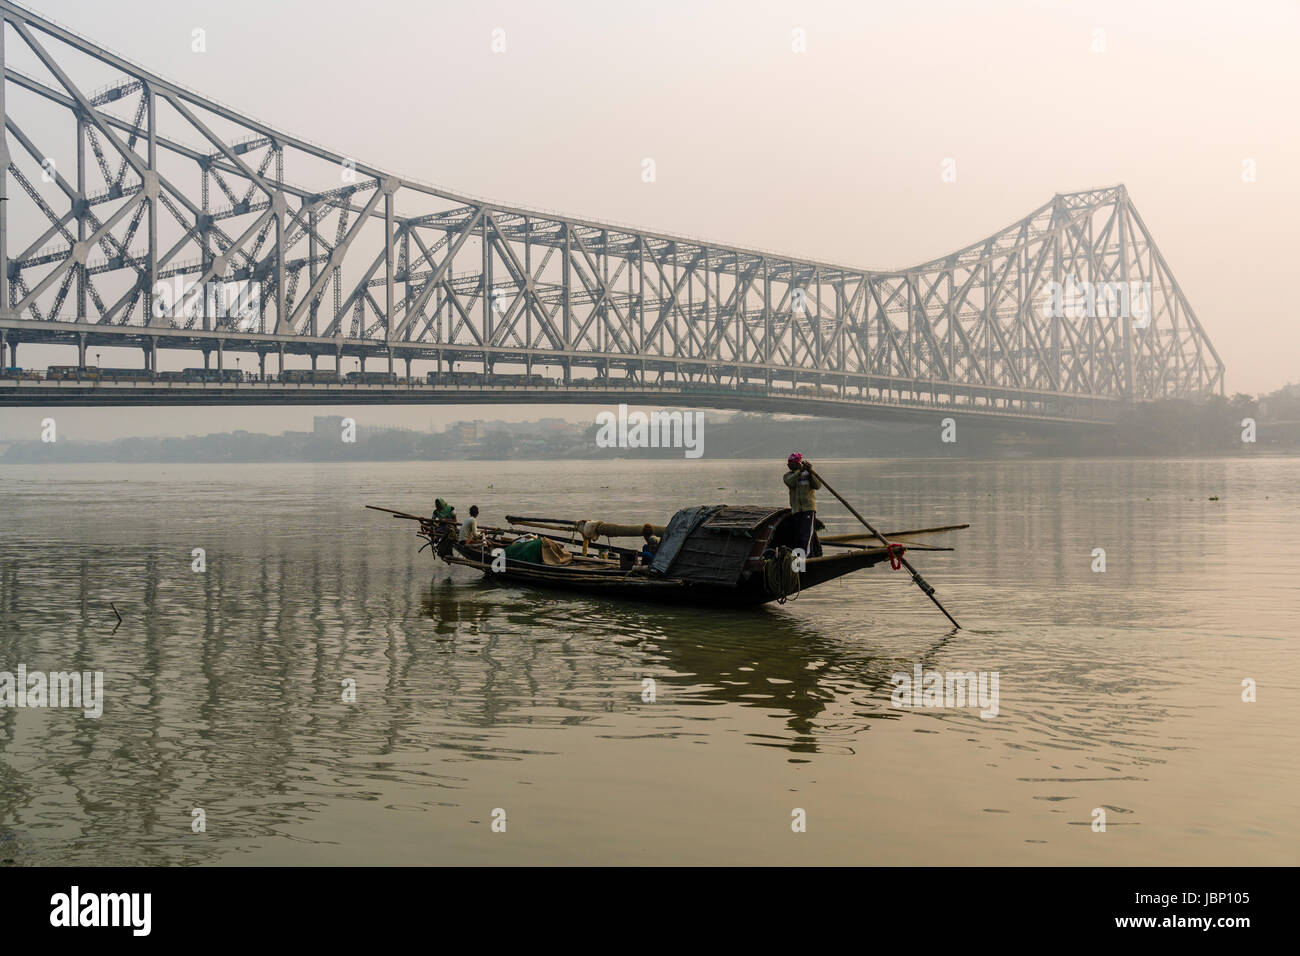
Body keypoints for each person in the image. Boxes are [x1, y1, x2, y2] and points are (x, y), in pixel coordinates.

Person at [782, 453, 823, 557]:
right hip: (796, 509)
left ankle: (807, 558)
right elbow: (790, 483)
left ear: (797, 463)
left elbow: (818, 485)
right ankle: (802, 556)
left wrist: (810, 473)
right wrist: (800, 471)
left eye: (791, 462)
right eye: (788, 463)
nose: (788, 464)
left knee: (806, 535)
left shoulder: (808, 474)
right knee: (798, 536)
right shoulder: (788, 475)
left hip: (808, 509)